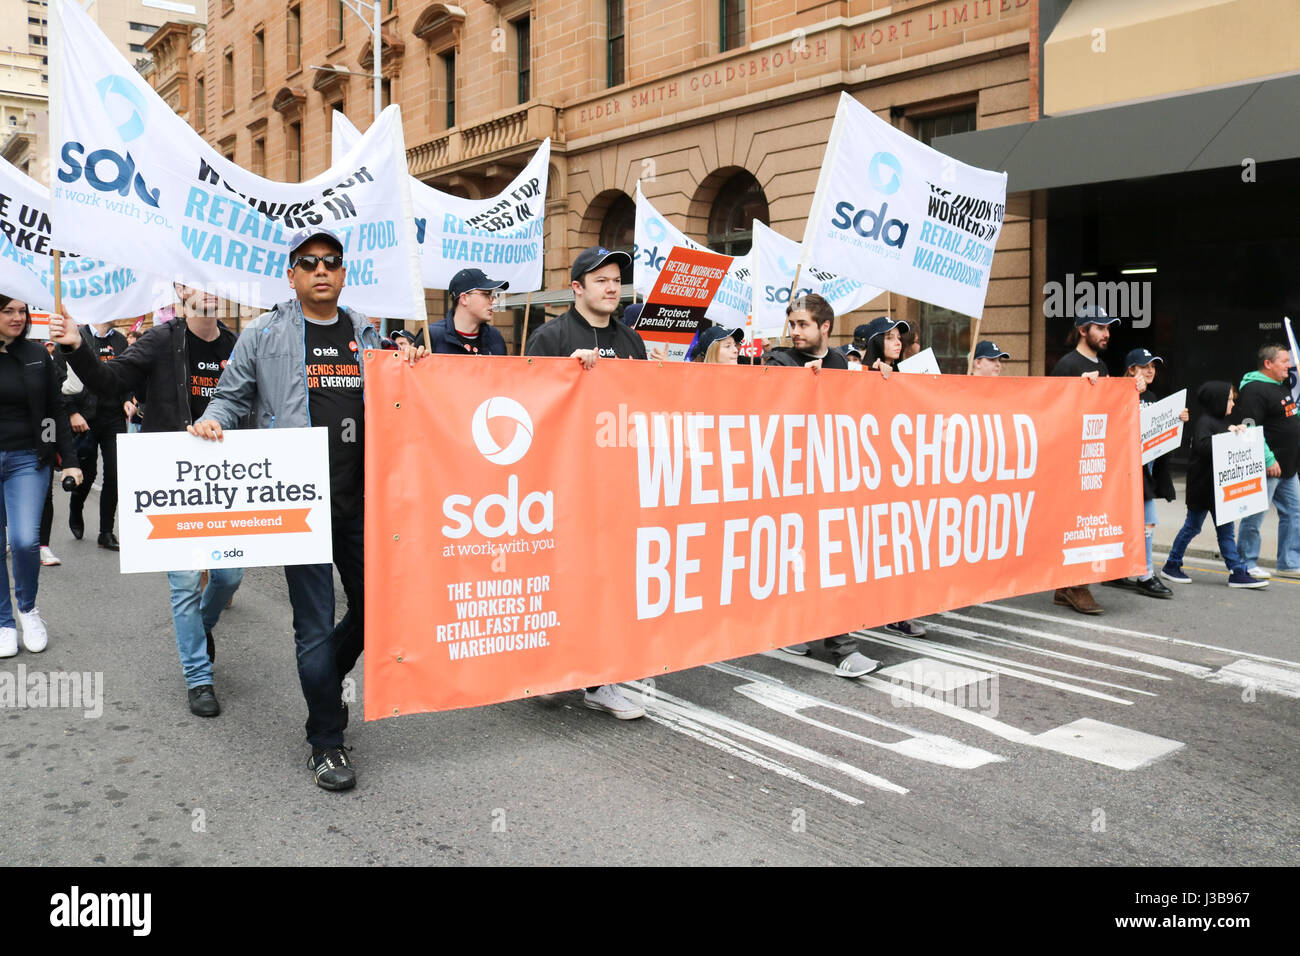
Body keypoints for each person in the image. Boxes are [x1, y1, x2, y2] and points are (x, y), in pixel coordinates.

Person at [188, 227, 408, 790]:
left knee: (380, 612)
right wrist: (214, 418)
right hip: (299, 506)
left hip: (361, 503)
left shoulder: (366, 331)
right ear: (292, 274)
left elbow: (402, 400)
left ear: (342, 272)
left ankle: (323, 677)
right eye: (309, 262)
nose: (321, 270)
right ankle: (326, 742)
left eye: (331, 262)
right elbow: (232, 395)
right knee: (311, 629)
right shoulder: (264, 332)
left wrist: (411, 363)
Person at [50, 284, 244, 717]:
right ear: (180, 291)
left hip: (227, 485)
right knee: (185, 582)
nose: (206, 290)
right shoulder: (161, 340)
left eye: (212, 281)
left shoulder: (237, 343)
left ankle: (202, 626)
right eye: (195, 282)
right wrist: (78, 348)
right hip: (173, 482)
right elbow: (110, 380)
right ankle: (199, 678)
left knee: (229, 578)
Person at [526, 246, 647, 718]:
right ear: (577, 287)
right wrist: (565, 378)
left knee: (609, 583)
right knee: (563, 582)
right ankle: (550, 667)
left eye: (616, 279)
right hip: (564, 487)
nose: (612, 287)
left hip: (615, 485)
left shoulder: (630, 340)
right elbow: (526, 409)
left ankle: (599, 681)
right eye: (601, 280)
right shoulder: (550, 336)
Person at [0, 296, 82, 658]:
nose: (18, 318)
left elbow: (53, 410)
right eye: (8, 311)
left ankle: (28, 610)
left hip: (26, 460)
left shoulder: (37, 356)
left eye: (22, 311)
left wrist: (62, 457)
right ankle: (3, 622)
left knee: (23, 540)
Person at [1048, 305, 1120, 614]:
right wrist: (1078, 389)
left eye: (1107, 328)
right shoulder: (1067, 364)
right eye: (1100, 328)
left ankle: (1065, 588)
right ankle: (1078, 586)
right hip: (1071, 459)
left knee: (1088, 520)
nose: (1106, 334)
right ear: (1082, 330)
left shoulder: (1102, 365)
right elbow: (1052, 407)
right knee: (1079, 522)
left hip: (1094, 454)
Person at [1162, 382, 1268, 588]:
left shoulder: (1222, 421)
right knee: (1192, 527)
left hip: (1220, 491)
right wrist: (1228, 435)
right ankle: (1171, 564)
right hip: (1203, 490)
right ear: (1218, 400)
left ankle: (1236, 571)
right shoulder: (1205, 422)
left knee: (1227, 532)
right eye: (1229, 399)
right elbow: (1203, 447)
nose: (1233, 403)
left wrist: (1237, 433)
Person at [1104, 350, 1175, 598]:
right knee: (1146, 522)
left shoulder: (1153, 396)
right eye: (1144, 366)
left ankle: (1116, 570)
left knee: (1138, 522)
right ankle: (1145, 575)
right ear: (1131, 369)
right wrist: (1133, 393)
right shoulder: (1118, 391)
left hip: (1147, 470)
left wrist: (1177, 420)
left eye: (1153, 366)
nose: (1151, 370)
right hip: (1126, 469)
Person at [57, 319, 131, 550]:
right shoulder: (75, 334)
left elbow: (128, 375)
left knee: (115, 474)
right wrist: (72, 413)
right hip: (84, 418)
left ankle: (106, 532)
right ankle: (76, 507)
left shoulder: (120, 340)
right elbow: (58, 378)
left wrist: (128, 400)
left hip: (113, 417)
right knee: (87, 474)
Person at [1232, 345, 1300, 579]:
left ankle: (1289, 562)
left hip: (1288, 468)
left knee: (1294, 513)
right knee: (1255, 515)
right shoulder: (1254, 390)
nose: (1289, 366)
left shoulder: (1280, 387)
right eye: (1284, 361)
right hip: (1269, 466)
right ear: (1268, 364)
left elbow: (1288, 414)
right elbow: (1250, 428)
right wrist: (1268, 459)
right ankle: (1245, 562)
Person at [415, 267, 509, 355]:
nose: (494, 301)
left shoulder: (495, 338)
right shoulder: (431, 336)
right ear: (464, 298)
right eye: (486, 294)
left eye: (493, 295)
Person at [763, 293, 848, 371]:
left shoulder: (840, 359)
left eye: (803, 324)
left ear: (825, 327)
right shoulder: (778, 365)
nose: (794, 332)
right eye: (792, 325)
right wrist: (803, 376)